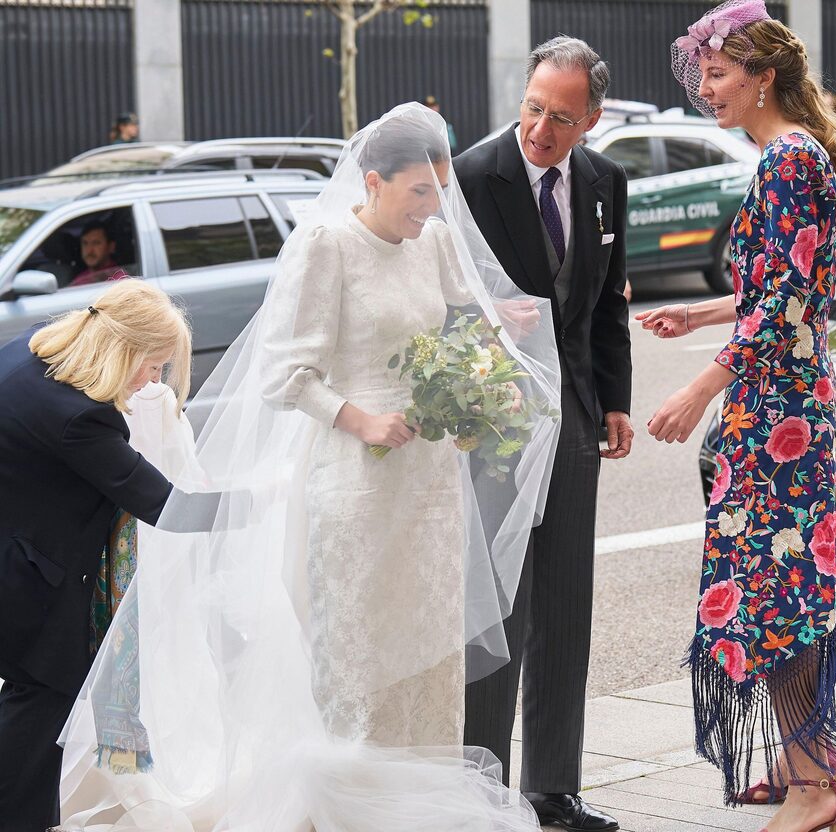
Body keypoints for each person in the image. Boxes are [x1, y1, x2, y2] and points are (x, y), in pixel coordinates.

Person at [58, 103, 561, 831]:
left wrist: (490, 367)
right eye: (417, 192)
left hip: (425, 483)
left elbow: (463, 323)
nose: (429, 207)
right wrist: (360, 418)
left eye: (437, 191)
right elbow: (283, 374)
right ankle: (347, 809)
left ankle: (417, 802)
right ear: (372, 180)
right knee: (357, 654)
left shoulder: (438, 241)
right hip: (353, 478)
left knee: (426, 649)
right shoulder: (327, 245)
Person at [649, 2, 836, 831]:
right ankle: (807, 763)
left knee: (777, 592)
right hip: (786, 403)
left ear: (761, 76)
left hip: (776, 409)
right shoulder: (793, 154)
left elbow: (781, 306)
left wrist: (699, 386)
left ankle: (812, 787)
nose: (706, 90)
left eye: (716, 74)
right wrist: (700, 319)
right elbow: (778, 287)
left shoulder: (785, 159)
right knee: (784, 584)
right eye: (703, 74)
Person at [455, 36, 632, 832]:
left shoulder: (604, 184)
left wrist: (615, 400)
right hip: (492, 426)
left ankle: (551, 791)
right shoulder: (467, 176)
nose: (539, 130)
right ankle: (478, 785)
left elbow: (603, 306)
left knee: (565, 607)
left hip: (574, 422)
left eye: (560, 118)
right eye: (532, 107)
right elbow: (435, 305)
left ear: (590, 119)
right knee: (495, 605)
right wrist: (491, 321)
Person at [0, 279, 191, 832]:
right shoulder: (82, 420)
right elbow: (164, 506)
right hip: (28, 580)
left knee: (29, 708)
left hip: (16, 546)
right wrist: (267, 502)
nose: (154, 380)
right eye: (154, 364)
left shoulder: (33, 351)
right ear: (124, 350)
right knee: (36, 710)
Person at [68, 221, 128, 287]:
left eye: (96, 243)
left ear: (111, 247)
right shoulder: (80, 280)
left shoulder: (120, 280)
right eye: (85, 243)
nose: (89, 250)